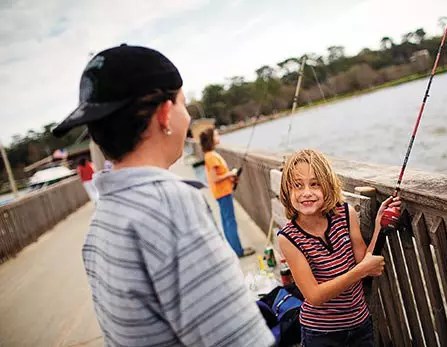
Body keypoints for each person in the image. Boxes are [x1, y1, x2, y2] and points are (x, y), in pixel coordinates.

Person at [52, 45, 274, 347]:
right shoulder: (171, 206)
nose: (187, 115)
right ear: (165, 114)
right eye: (183, 104)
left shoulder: (102, 220)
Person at [277, 149, 401, 347]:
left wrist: (378, 225)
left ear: (327, 186)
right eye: (297, 186)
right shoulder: (289, 238)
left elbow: (364, 261)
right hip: (321, 333)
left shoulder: (345, 214)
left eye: (315, 184)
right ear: (287, 191)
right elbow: (314, 296)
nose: (306, 192)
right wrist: (359, 272)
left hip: (360, 325)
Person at [199, 127, 255, 258]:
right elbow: (214, 178)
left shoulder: (210, 155)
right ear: (211, 139)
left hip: (222, 192)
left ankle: (234, 249)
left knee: (226, 221)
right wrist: (231, 173)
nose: (219, 137)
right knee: (230, 221)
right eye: (216, 135)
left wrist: (230, 176)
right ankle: (237, 250)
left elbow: (218, 175)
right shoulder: (211, 157)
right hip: (222, 193)